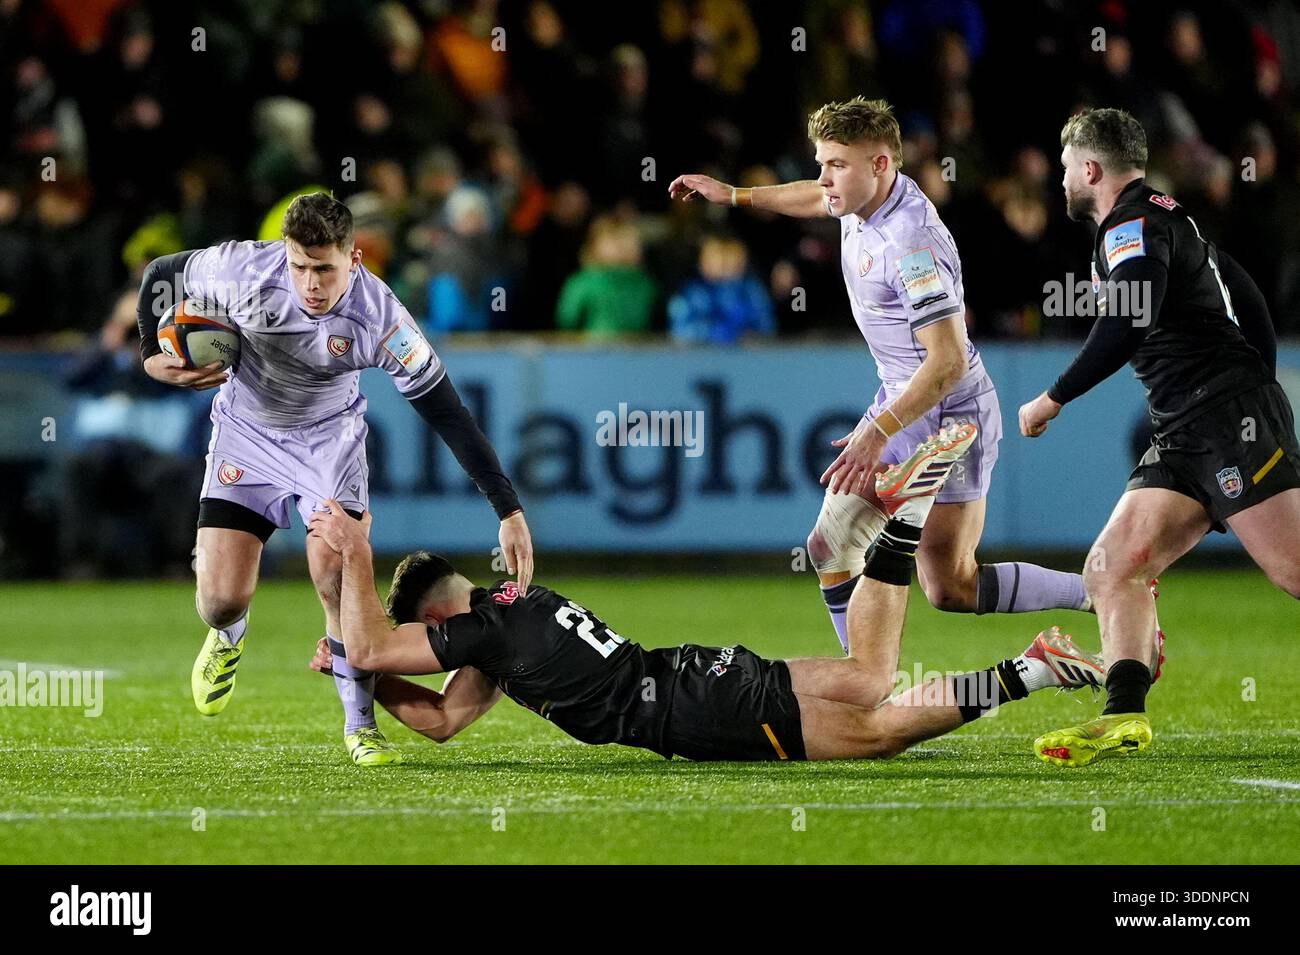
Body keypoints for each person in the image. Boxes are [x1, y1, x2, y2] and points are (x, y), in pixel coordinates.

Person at [307, 424, 1108, 762]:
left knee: (879, 729)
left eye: (426, 639)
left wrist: (354, 572)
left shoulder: (478, 633)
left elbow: (373, 643)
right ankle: (910, 542)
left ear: (437, 618)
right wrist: (371, 676)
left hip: (693, 710)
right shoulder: (516, 607)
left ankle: (911, 536)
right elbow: (445, 719)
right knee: (868, 680)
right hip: (697, 669)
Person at [668, 96, 1091, 658]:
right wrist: (736, 195)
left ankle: (1095, 592)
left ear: (881, 165)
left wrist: (876, 430)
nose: (823, 178)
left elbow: (947, 362)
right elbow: (816, 197)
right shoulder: (863, 195)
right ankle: (869, 689)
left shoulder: (909, 245)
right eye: (821, 161)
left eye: (835, 164)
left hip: (950, 420)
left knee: (950, 586)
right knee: (829, 545)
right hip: (902, 405)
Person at [136, 192, 535, 766]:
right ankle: (229, 633)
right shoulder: (243, 268)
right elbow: (161, 273)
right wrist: (153, 358)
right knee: (220, 600)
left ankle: (360, 726)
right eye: (299, 266)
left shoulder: (381, 316)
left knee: (333, 574)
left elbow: (448, 412)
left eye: (324, 268)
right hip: (247, 435)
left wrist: (508, 509)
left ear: (355, 256)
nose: (310, 283)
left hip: (328, 446)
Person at [1019, 108, 1300, 766]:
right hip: (1187, 426)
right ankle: (1122, 715)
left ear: (1090, 169)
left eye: (1065, 167)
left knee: (1293, 570)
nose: (1061, 178)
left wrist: (1052, 398)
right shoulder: (1166, 214)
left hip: (1223, 420)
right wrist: (1255, 374)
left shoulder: (1132, 225)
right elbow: (1241, 287)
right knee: (1113, 567)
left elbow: (1127, 323)